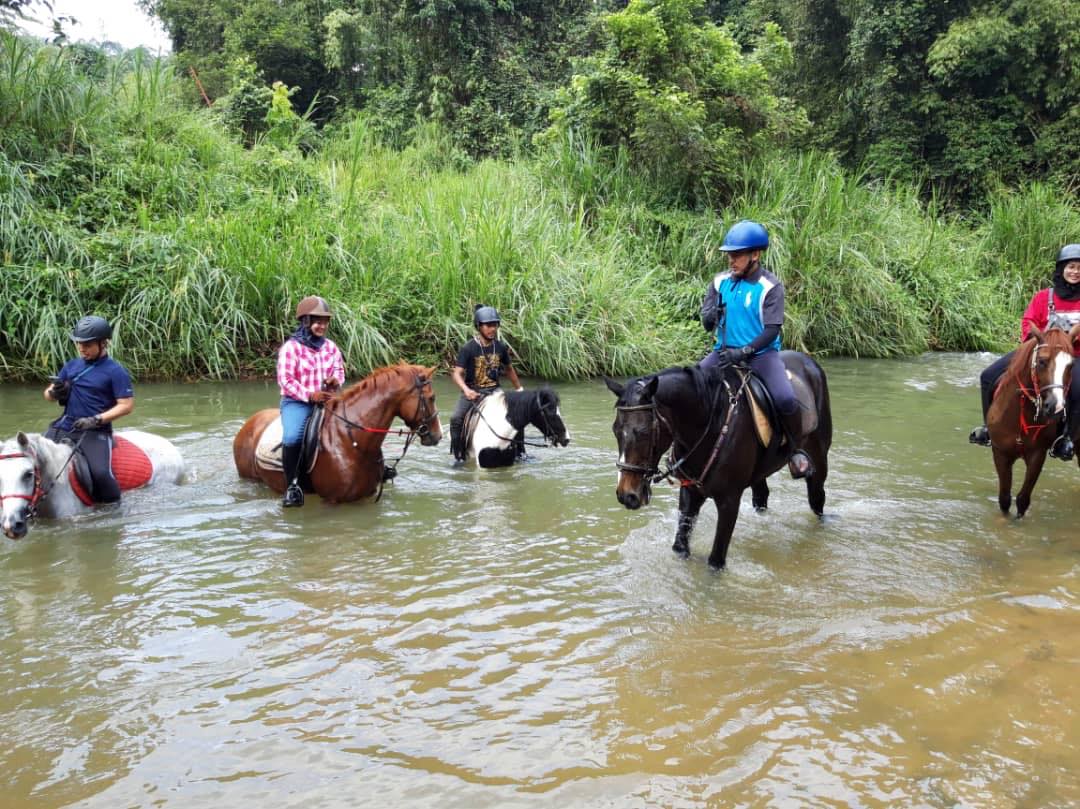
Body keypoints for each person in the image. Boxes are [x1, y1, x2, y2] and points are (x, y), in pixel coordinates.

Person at [699, 220, 812, 478]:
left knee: (784, 397)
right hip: (723, 353)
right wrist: (709, 316)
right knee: (695, 384)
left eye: (737, 255)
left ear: (755, 255)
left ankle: (795, 451)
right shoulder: (719, 282)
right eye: (730, 255)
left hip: (761, 356)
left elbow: (772, 330)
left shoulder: (770, 287)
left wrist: (744, 352)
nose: (731, 260)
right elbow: (706, 321)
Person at [969, 244, 1080, 460]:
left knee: (1078, 390)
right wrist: (1036, 338)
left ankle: (1066, 438)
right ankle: (988, 428)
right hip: (1039, 352)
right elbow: (1028, 321)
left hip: (1073, 355)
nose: (1075, 272)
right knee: (988, 376)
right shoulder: (1043, 297)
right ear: (1061, 269)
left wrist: (1069, 340)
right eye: (1071, 267)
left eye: (1079, 268)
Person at [43, 315, 134, 503]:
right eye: (79, 344)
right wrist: (55, 393)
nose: (82, 349)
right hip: (64, 425)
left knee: (101, 474)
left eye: (88, 345)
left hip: (94, 431)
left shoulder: (115, 371)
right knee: (31, 457)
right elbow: (48, 395)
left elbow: (126, 406)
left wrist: (96, 420)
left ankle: (113, 511)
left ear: (103, 343)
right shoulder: (72, 365)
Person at [277, 296, 345, 507]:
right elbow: (286, 381)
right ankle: (293, 487)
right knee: (292, 438)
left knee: (358, 422)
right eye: (317, 321)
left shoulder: (331, 347)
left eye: (325, 321)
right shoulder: (291, 348)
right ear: (305, 321)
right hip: (297, 402)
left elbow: (339, 370)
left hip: (327, 399)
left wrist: (336, 380)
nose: (322, 326)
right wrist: (309, 394)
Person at [449, 304, 524, 464]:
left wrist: (519, 389)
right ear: (479, 326)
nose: (493, 329)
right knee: (455, 419)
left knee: (519, 413)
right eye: (488, 325)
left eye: (495, 325)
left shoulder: (501, 347)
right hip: (473, 391)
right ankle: (459, 456)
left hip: (495, 391)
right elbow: (456, 373)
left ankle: (520, 452)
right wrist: (466, 390)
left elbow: (509, 369)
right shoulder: (468, 348)